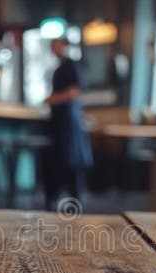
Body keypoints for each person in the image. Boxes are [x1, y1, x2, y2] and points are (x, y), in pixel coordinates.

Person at [43, 38, 93, 210]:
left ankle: (75, 199)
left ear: (63, 45)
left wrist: (52, 99)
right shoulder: (58, 67)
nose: (52, 48)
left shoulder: (71, 65)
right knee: (60, 159)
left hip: (69, 120)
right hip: (59, 120)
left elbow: (74, 91)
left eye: (55, 45)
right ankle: (57, 198)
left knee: (71, 158)